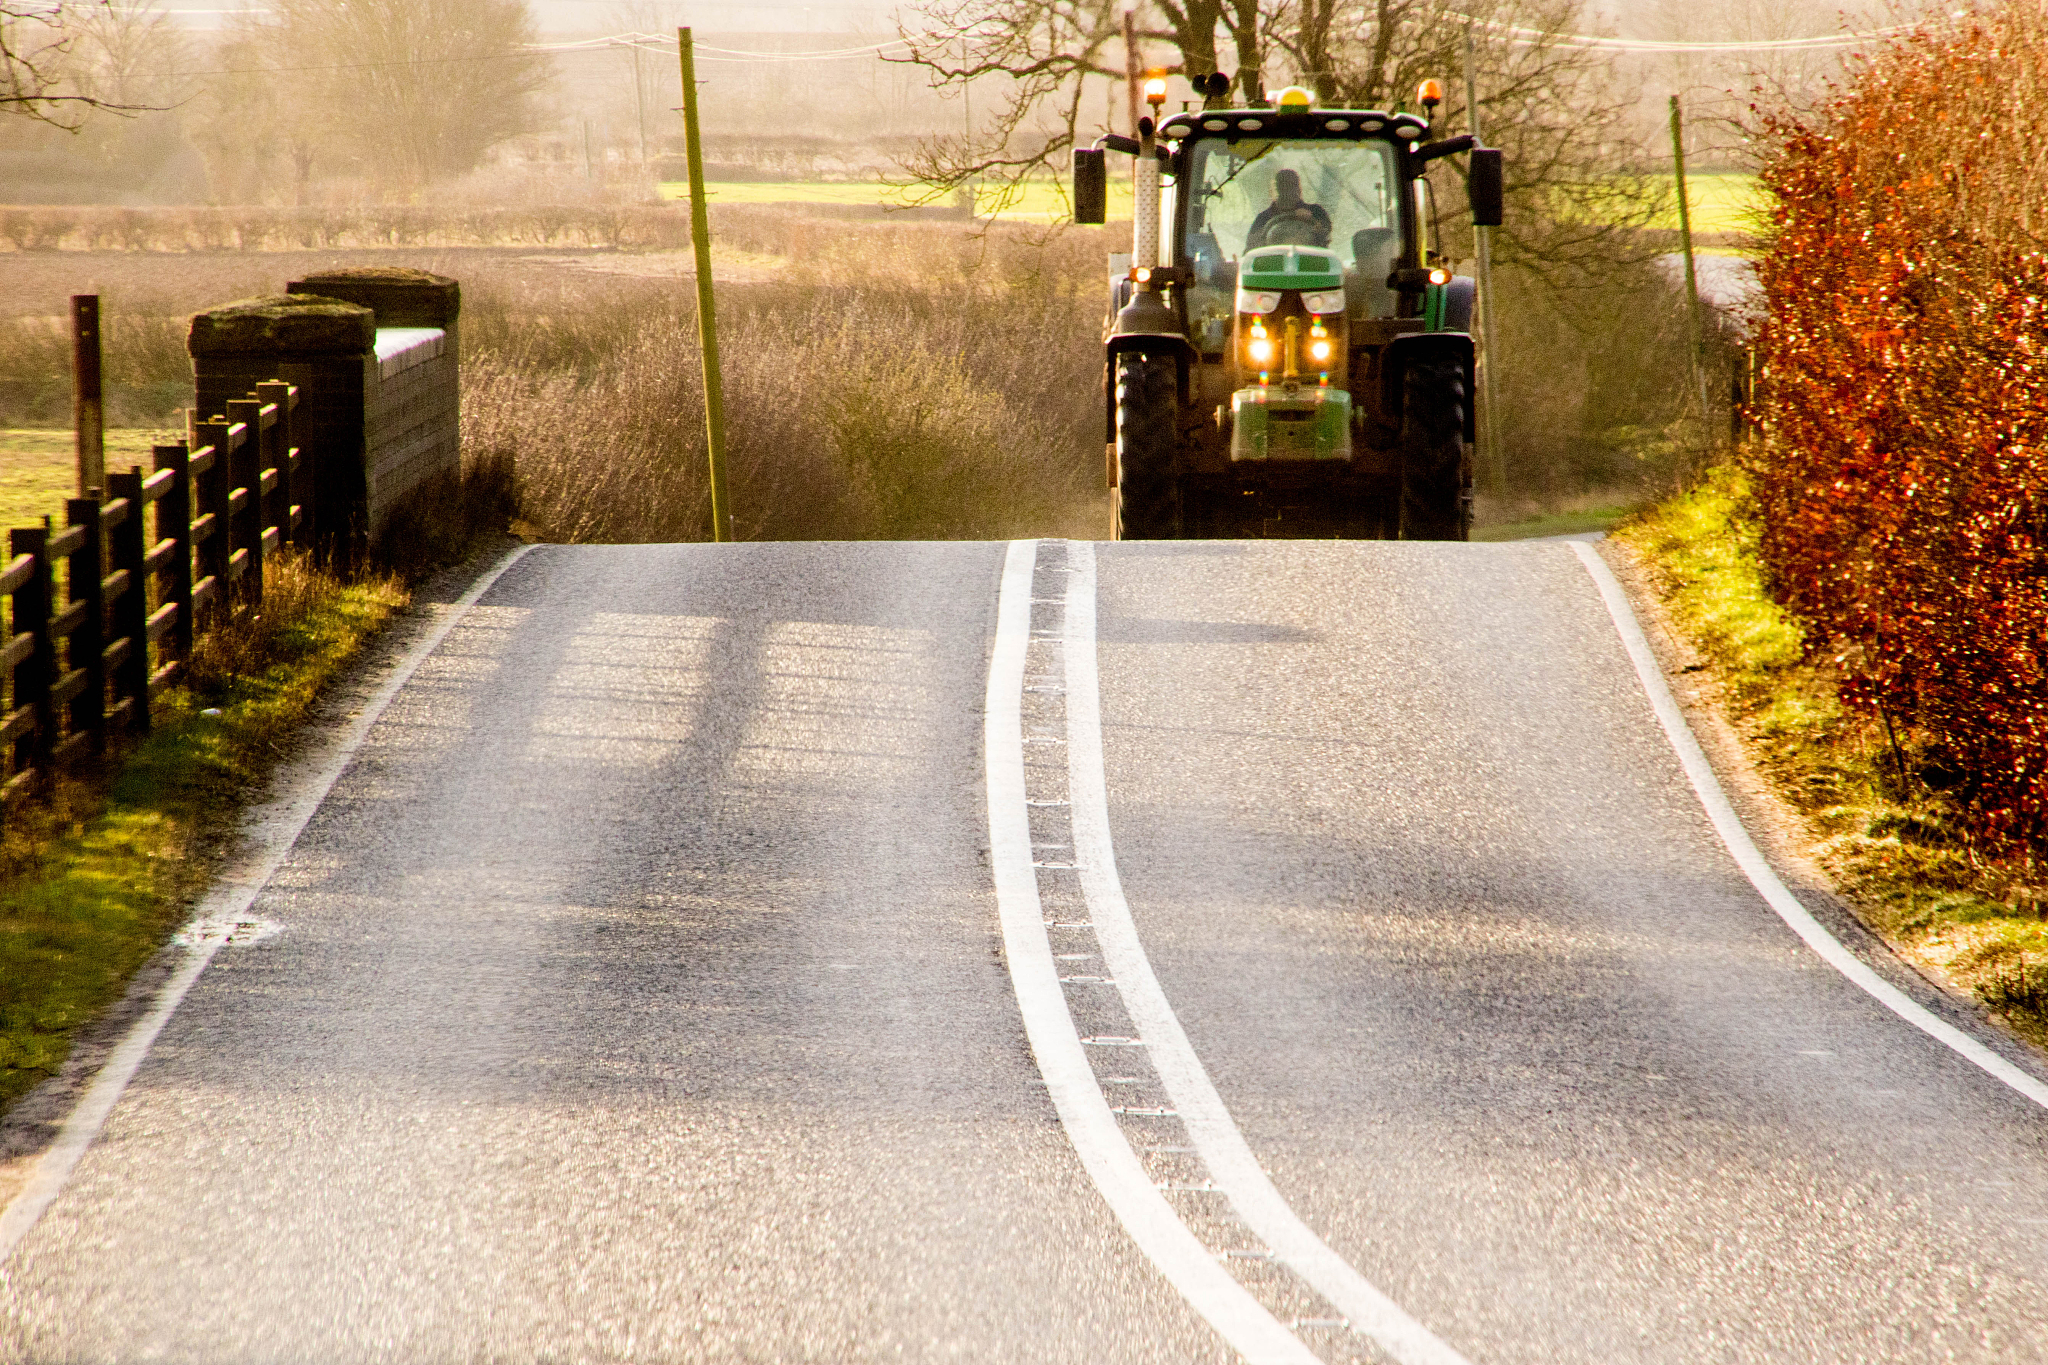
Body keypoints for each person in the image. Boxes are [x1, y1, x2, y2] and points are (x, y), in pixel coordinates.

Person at [1246, 169, 1331, 248]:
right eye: (1283, 186)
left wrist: (1314, 221)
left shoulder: (1315, 211)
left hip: (1310, 260)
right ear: (1277, 189)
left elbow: (1326, 235)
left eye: (1292, 185)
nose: (1288, 191)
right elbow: (1251, 247)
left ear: (1299, 188)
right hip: (1274, 261)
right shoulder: (1263, 218)